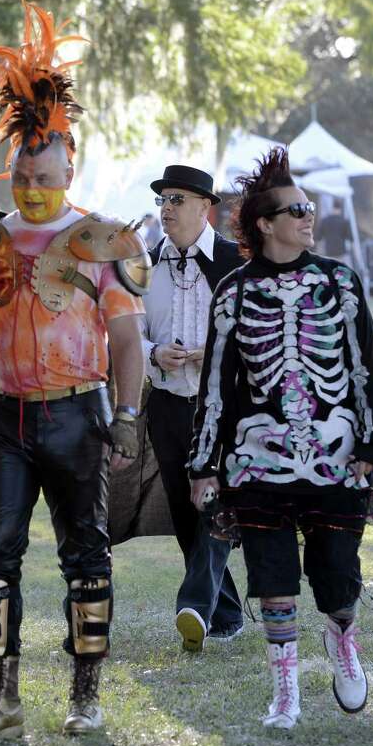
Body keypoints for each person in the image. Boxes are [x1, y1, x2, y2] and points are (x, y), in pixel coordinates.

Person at [0, 0, 149, 740]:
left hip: (77, 414)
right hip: (3, 416)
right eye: (21, 173)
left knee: (86, 554)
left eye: (44, 171)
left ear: (71, 164)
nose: (31, 185)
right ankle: (0, 699)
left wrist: (128, 415)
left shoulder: (104, 239)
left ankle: (85, 695)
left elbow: (127, 340)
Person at [188, 147, 373, 729]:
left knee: (338, 577)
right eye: (296, 210)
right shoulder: (234, 292)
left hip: (336, 457)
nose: (308, 217)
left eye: (309, 208)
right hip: (257, 463)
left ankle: (342, 641)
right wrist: (203, 464)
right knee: (273, 578)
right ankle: (285, 689)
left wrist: (371, 449)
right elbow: (215, 385)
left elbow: (365, 370)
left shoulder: (339, 282)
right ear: (265, 224)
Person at [141, 163, 246, 651]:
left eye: (178, 199)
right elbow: (127, 334)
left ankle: (194, 604)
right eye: (163, 200)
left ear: (206, 207)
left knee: (214, 505)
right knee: (187, 514)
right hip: (166, 406)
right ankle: (225, 616)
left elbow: (256, 330)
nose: (167, 208)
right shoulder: (142, 265)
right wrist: (154, 354)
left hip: (223, 409)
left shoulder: (235, 262)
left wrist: (217, 352)